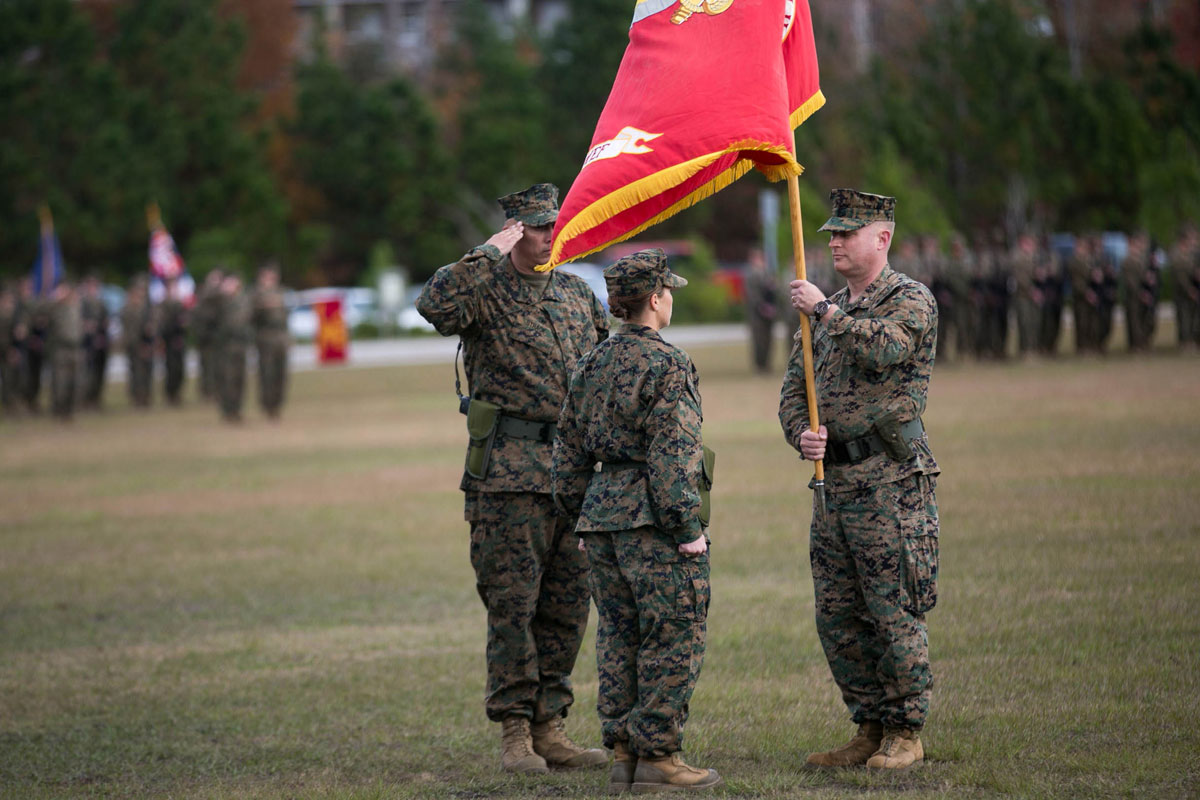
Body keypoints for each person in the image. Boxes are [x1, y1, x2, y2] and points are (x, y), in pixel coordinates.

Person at [416, 184, 610, 774]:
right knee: (512, 607)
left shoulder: (578, 294)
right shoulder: (483, 292)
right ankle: (516, 733)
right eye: (536, 226)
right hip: (507, 478)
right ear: (513, 232)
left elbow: (602, 373)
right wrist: (485, 253)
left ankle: (551, 725)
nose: (550, 234)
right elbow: (434, 306)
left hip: (571, 475)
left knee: (567, 606)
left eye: (555, 224)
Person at [780, 189, 940, 771]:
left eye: (848, 232)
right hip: (834, 483)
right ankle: (868, 725)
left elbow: (887, 351)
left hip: (890, 481)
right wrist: (801, 433)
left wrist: (826, 311)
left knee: (893, 606)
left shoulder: (910, 299)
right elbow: (793, 391)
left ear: (883, 238)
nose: (835, 241)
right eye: (832, 233)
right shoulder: (818, 313)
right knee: (839, 615)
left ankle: (905, 730)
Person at [553, 249, 721, 794]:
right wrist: (687, 529)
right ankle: (659, 755)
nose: (670, 298)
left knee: (619, 635)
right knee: (672, 631)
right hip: (652, 518)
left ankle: (623, 750)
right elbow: (674, 458)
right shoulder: (668, 364)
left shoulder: (589, 364)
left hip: (601, 516)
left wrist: (582, 519)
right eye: (667, 291)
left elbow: (567, 457)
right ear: (654, 299)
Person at [251, 262, 290, 419]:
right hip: (266, 339)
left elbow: (285, 318)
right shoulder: (256, 295)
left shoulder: (281, 292)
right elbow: (251, 317)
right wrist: (263, 305)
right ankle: (267, 405)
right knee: (267, 373)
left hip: (280, 339)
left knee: (281, 375)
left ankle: (277, 405)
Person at [215, 273, 251, 423]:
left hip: (240, 345)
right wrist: (220, 290)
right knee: (227, 379)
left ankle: (237, 409)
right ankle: (227, 410)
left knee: (239, 379)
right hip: (225, 346)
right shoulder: (219, 301)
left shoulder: (243, 300)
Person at [46, 279, 83, 421]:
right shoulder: (56, 308)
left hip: (75, 349)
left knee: (74, 382)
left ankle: (69, 411)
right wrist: (56, 299)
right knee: (60, 382)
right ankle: (58, 410)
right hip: (60, 349)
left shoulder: (76, 307)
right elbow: (42, 310)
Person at [744, 247, 781, 373]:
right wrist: (762, 306)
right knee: (758, 340)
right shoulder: (750, 274)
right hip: (757, 314)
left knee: (768, 340)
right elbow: (752, 294)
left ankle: (766, 364)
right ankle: (759, 365)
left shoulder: (766, 273)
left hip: (768, 314)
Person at [121, 277, 155, 408]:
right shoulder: (128, 309)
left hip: (147, 344)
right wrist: (139, 344)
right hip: (134, 345)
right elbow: (130, 330)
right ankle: (137, 397)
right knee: (137, 372)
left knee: (147, 371)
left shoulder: (147, 308)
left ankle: (146, 396)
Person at [1121, 231, 1158, 352]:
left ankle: (1144, 342)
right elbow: (1130, 282)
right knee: (1134, 321)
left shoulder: (1143, 260)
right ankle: (1136, 345)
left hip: (1144, 294)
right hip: (1133, 296)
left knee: (1144, 320)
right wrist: (1141, 293)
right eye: (1136, 244)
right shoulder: (1127, 261)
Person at [194, 268, 225, 400]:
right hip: (205, 337)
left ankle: (217, 389)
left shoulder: (222, 295)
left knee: (219, 365)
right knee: (206, 365)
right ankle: (207, 391)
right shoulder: (204, 294)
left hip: (219, 337)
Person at [80, 274, 111, 409]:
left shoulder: (102, 304)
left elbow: (105, 322)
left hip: (101, 343)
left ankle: (96, 398)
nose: (94, 289)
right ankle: (85, 399)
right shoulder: (82, 304)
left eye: (96, 286)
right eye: (91, 286)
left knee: (99, 372)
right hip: (87, 344)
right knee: (87, 374)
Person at [158, 276, 189, 406]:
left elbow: (184, 322)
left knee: (180, 369)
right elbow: (162, 325)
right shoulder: (163, 305)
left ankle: (177, 393)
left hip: (179, 341)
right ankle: (170, 394)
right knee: (170, 368)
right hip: (169, 342)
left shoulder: (179, 304)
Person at [1168, 223, 1200, 351]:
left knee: (1192, 316)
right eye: (1192, 238)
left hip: (1192, 289)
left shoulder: (1193, 253)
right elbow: (1180, 276)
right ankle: (1185, 342)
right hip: (1182, 291)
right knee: (1184, 316)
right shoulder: (1177, 254)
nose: (1194, 241)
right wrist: (1189, 290)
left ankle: (1192, 339)